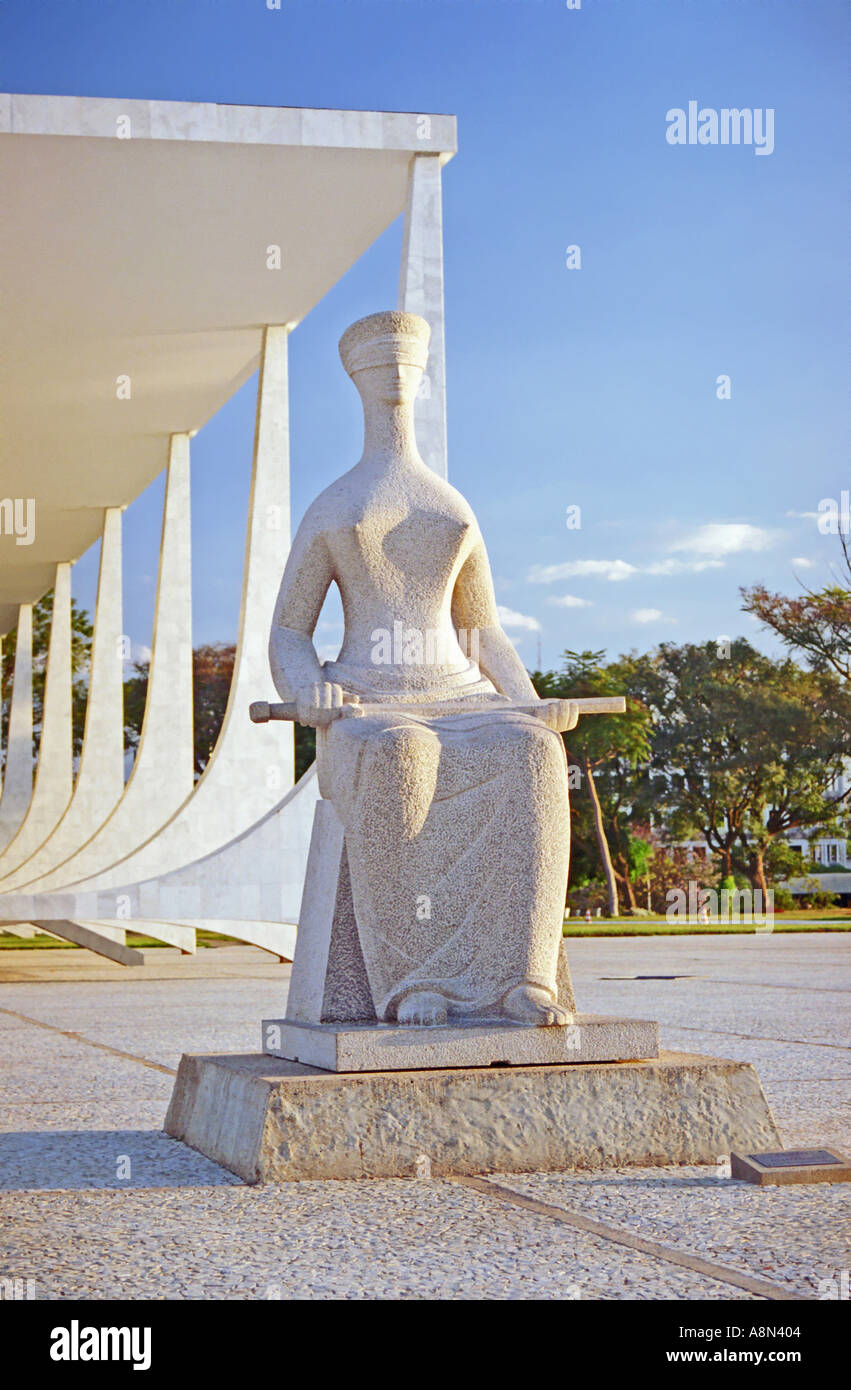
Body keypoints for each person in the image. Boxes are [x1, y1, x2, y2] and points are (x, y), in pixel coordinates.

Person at [269, 311, 571, 1027]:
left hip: (460, 695)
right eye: (383, 369)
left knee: (531, 752)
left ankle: (520, 978)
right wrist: (307, 687)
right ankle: (415, 978)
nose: (396, 381)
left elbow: (478, 625)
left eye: (407, 367)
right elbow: (288, 630)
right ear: (358, 381)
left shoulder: (449, 503)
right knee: (404, 754)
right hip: (369, 706)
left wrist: (526, 701)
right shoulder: (336, 505)